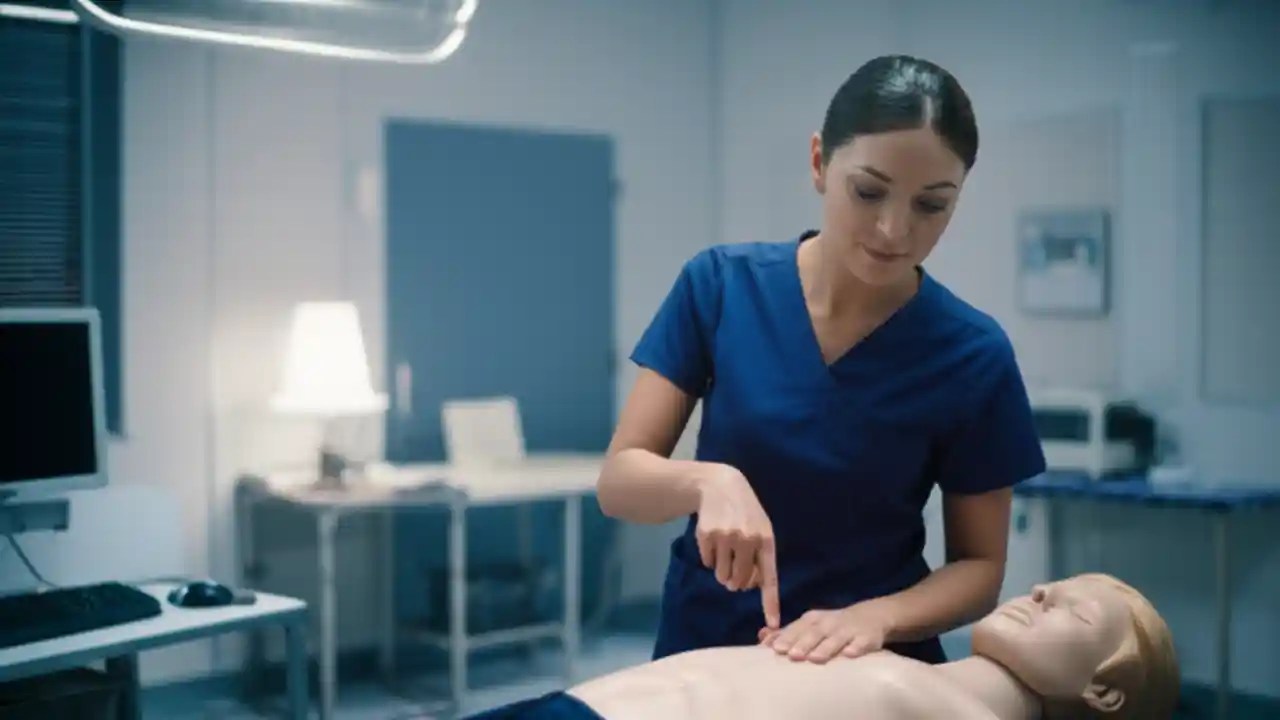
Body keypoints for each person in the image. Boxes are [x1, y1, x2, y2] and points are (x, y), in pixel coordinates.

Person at [596, 53, 1047, 666]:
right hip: (710, 646)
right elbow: (620, 482)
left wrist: (878, 616)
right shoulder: (721, 286)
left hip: (869, 666)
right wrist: (709, 481)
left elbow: (979, 567)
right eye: (868, 192)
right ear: (818, 163)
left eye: (931, 205)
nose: (894, 229)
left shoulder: (974, 354)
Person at [464, 573, 1180, 719]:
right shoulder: (912, 669)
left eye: (1076, 614)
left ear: (1104, 691)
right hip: (566, 705)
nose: (1043, 593)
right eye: (1051, 587)